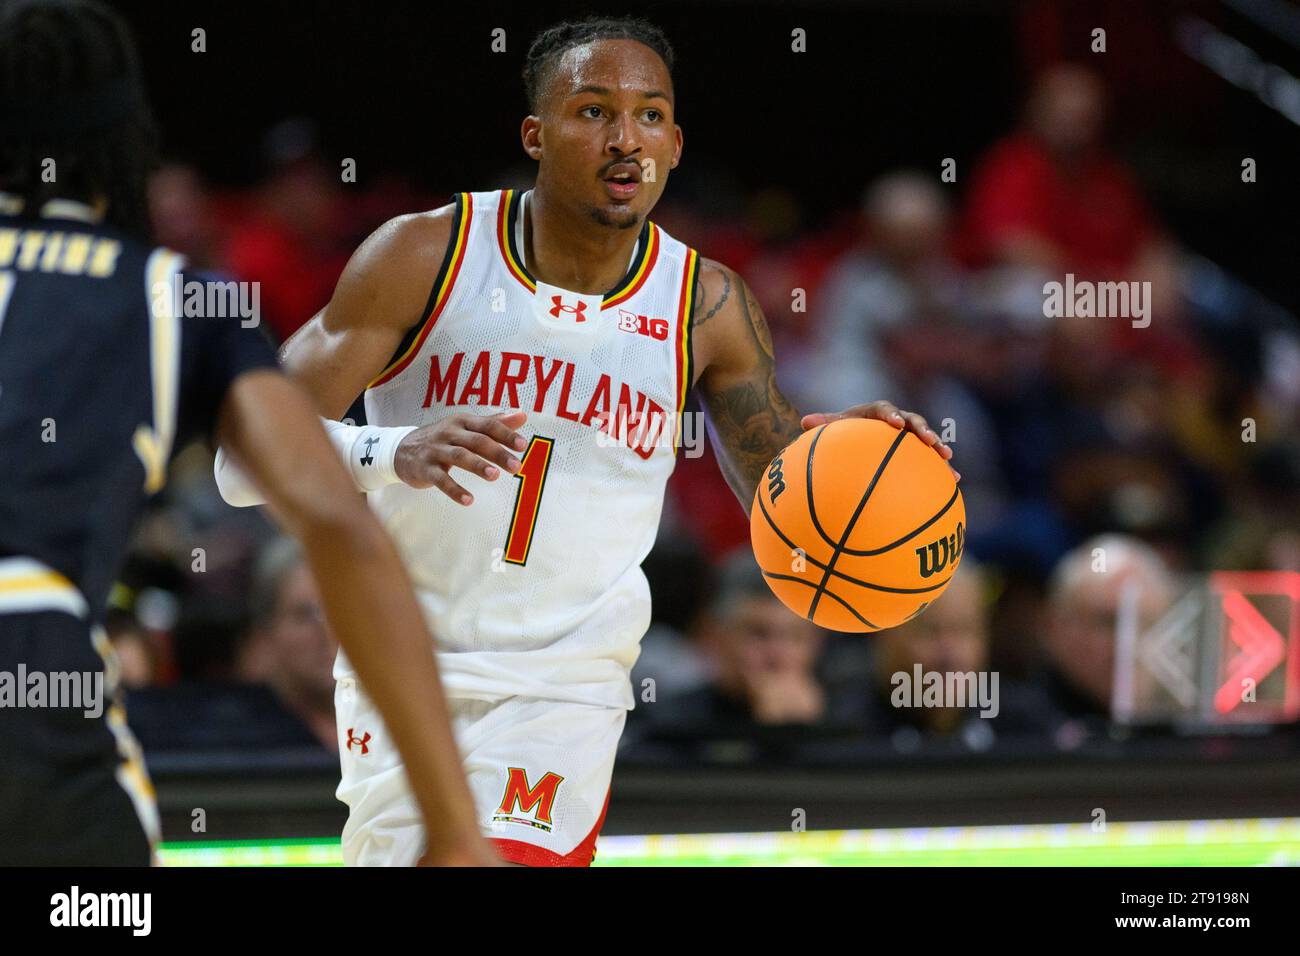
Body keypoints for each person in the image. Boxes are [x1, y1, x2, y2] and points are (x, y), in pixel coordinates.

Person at [215, 15, 954, 867]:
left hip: (568, 683)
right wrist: (392, 451)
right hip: (400, 660)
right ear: (536, 134)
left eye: (648, 116)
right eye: (594, 111)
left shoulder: (705, 306)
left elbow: (785, 508)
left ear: (675, 145)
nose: (624, 140)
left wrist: (857, 463)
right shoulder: (426, 255)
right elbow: (241, 461)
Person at [0, 0, 491, 866]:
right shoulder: (172, 296)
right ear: (127, 139)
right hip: (36, 699)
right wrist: (452, 825)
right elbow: (339, 527)